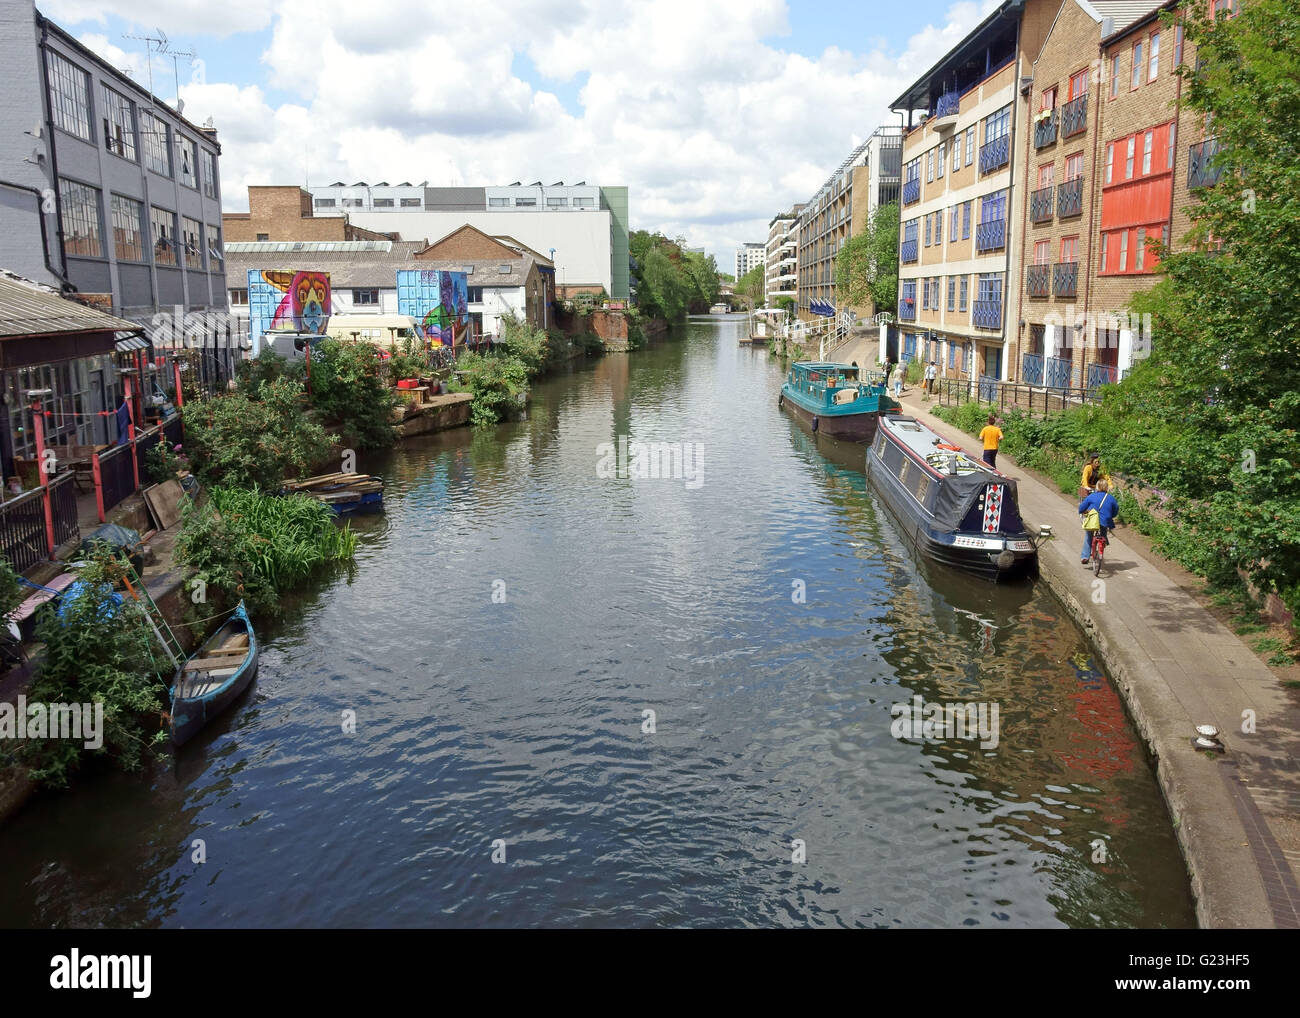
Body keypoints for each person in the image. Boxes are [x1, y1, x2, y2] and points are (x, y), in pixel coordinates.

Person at [1078, 479, 1119, 565]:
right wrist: (1110, 516)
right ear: (1106, 488)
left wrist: (1083, 511)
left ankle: (1085, 557)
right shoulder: (1111, 498)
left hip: (1093, 520)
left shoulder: (1092, 496)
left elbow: (1081, 508)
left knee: (1088, 536)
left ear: (1097, 487)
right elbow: (1115, 510)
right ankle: (1103, 541)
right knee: (1103, 533)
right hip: (1105, 520)